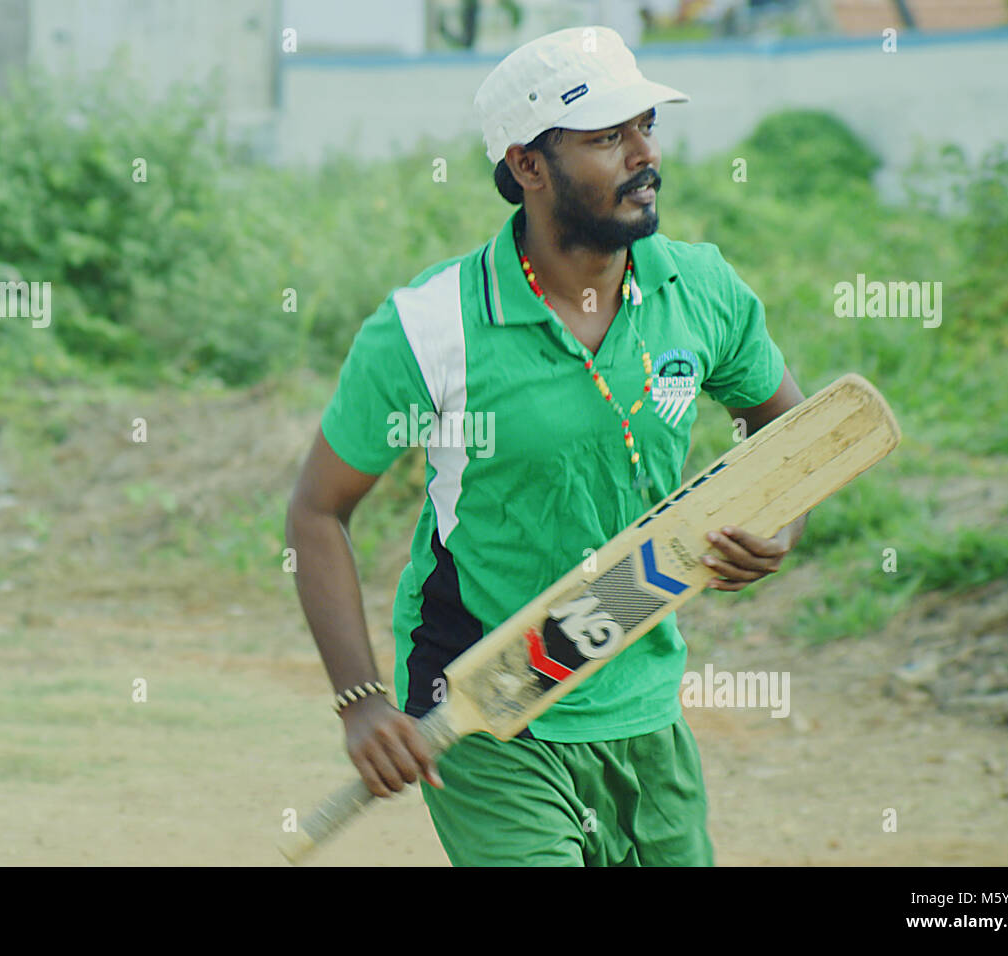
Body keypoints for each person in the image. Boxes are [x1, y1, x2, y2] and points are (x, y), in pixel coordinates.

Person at [285, 25, 808, 866]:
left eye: (646, 126)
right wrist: (361, 700)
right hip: (487, 697)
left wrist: (781, 521)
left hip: (640, 692)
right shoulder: (430, 328)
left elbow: (788, 433)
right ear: (528, 165)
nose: (644, 155)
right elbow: (318, 511)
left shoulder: (701, 288)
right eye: (608, 137)